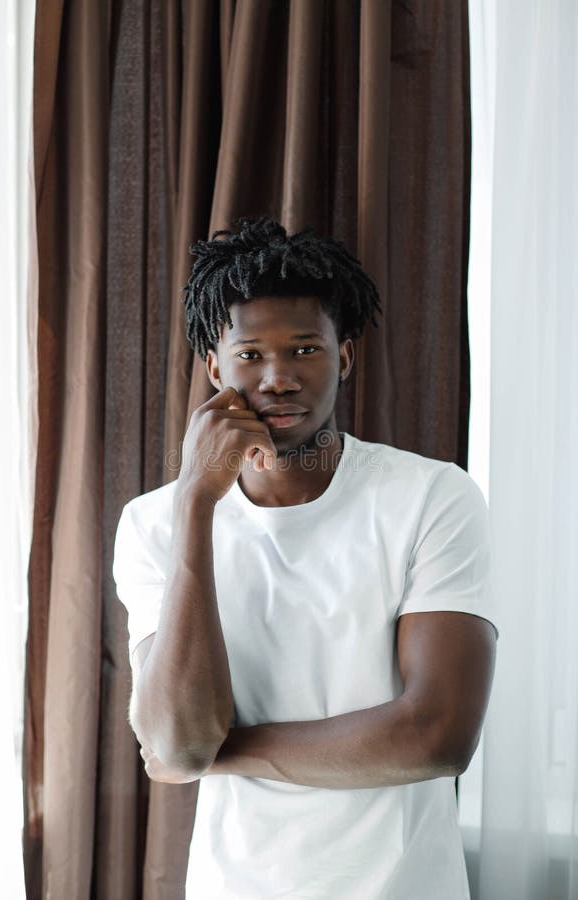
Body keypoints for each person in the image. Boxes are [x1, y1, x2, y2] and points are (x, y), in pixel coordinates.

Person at [112, 215, 498, 899]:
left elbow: (437, 735)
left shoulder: (432, 496)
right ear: (214, 366)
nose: (280, 378)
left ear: (343, 356)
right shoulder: (152, 523)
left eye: (305, 350)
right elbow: (174, 738)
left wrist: (220, 754)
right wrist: (196, 504)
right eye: (252, 354)